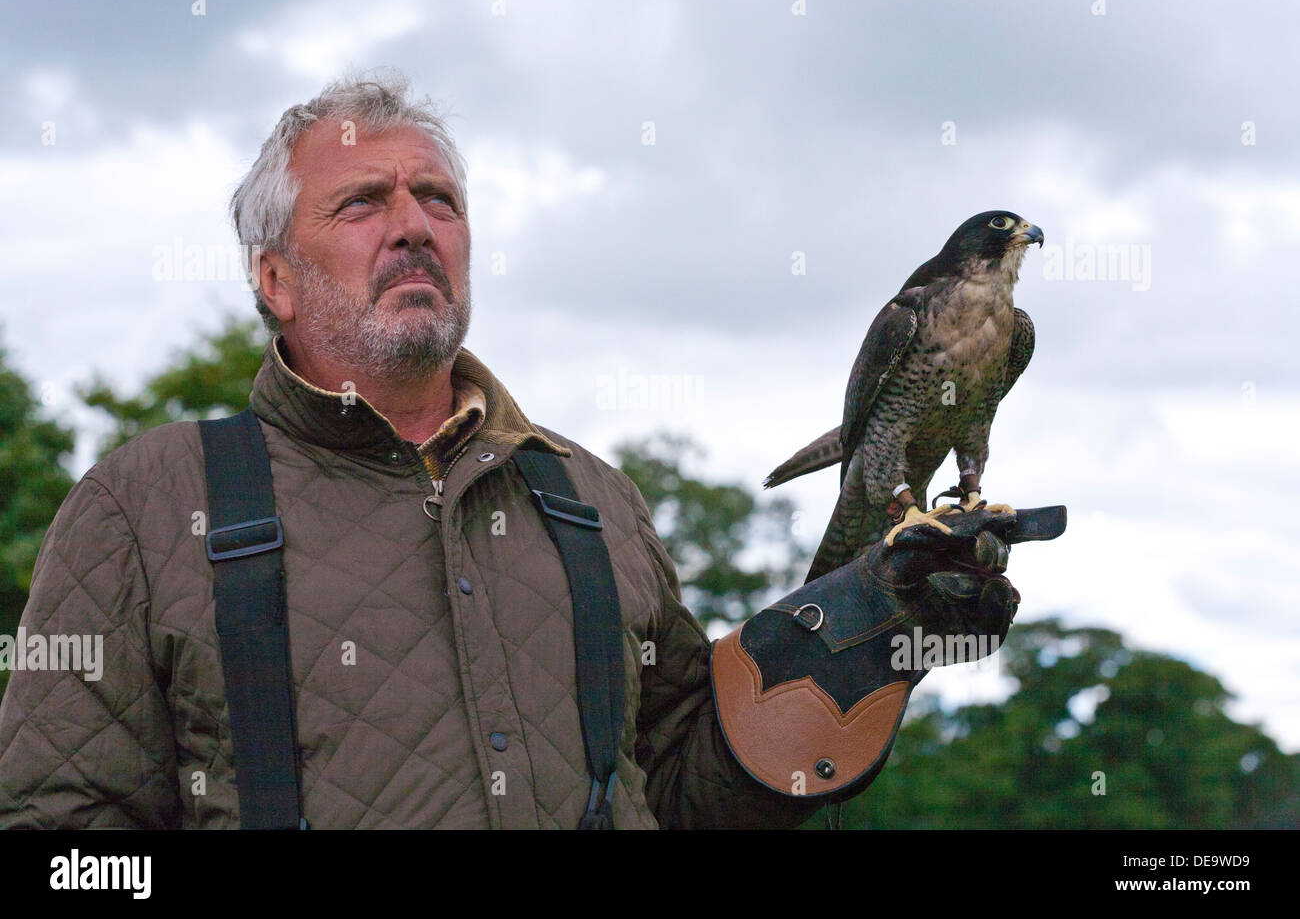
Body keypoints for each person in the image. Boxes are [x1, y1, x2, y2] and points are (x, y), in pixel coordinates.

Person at [0, 70, 1033, 829]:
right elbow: (59, 831)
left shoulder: (593, 501)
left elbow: (680, 793)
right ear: (272, 277)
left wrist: (865, 639)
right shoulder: (147, 501)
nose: (414, 226)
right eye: (364, 203)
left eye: (438, 200)